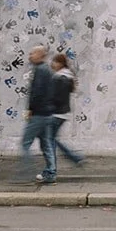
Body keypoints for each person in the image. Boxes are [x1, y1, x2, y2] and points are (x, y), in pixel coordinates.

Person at [15, 46, 57, 184]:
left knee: (25, 143)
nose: (30, 56)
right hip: (47, 113)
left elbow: (37, 93)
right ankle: (51, 173)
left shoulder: (40, 70)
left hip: (38, 113)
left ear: (40, 55)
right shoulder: (47, 70)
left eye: (32, 53)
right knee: (46, 144)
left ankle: (26, 172)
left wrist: (30, 110)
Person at [47, 53, 87, 171]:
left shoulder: (60, 78)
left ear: (61, 64)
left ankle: (52, 168)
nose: (53, 64)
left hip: (56, 113)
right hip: (62, 113)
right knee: (51, 139)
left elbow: (57, 97)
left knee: (49, 140)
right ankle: (74, 158)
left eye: (55, 62)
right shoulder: (65, 77)